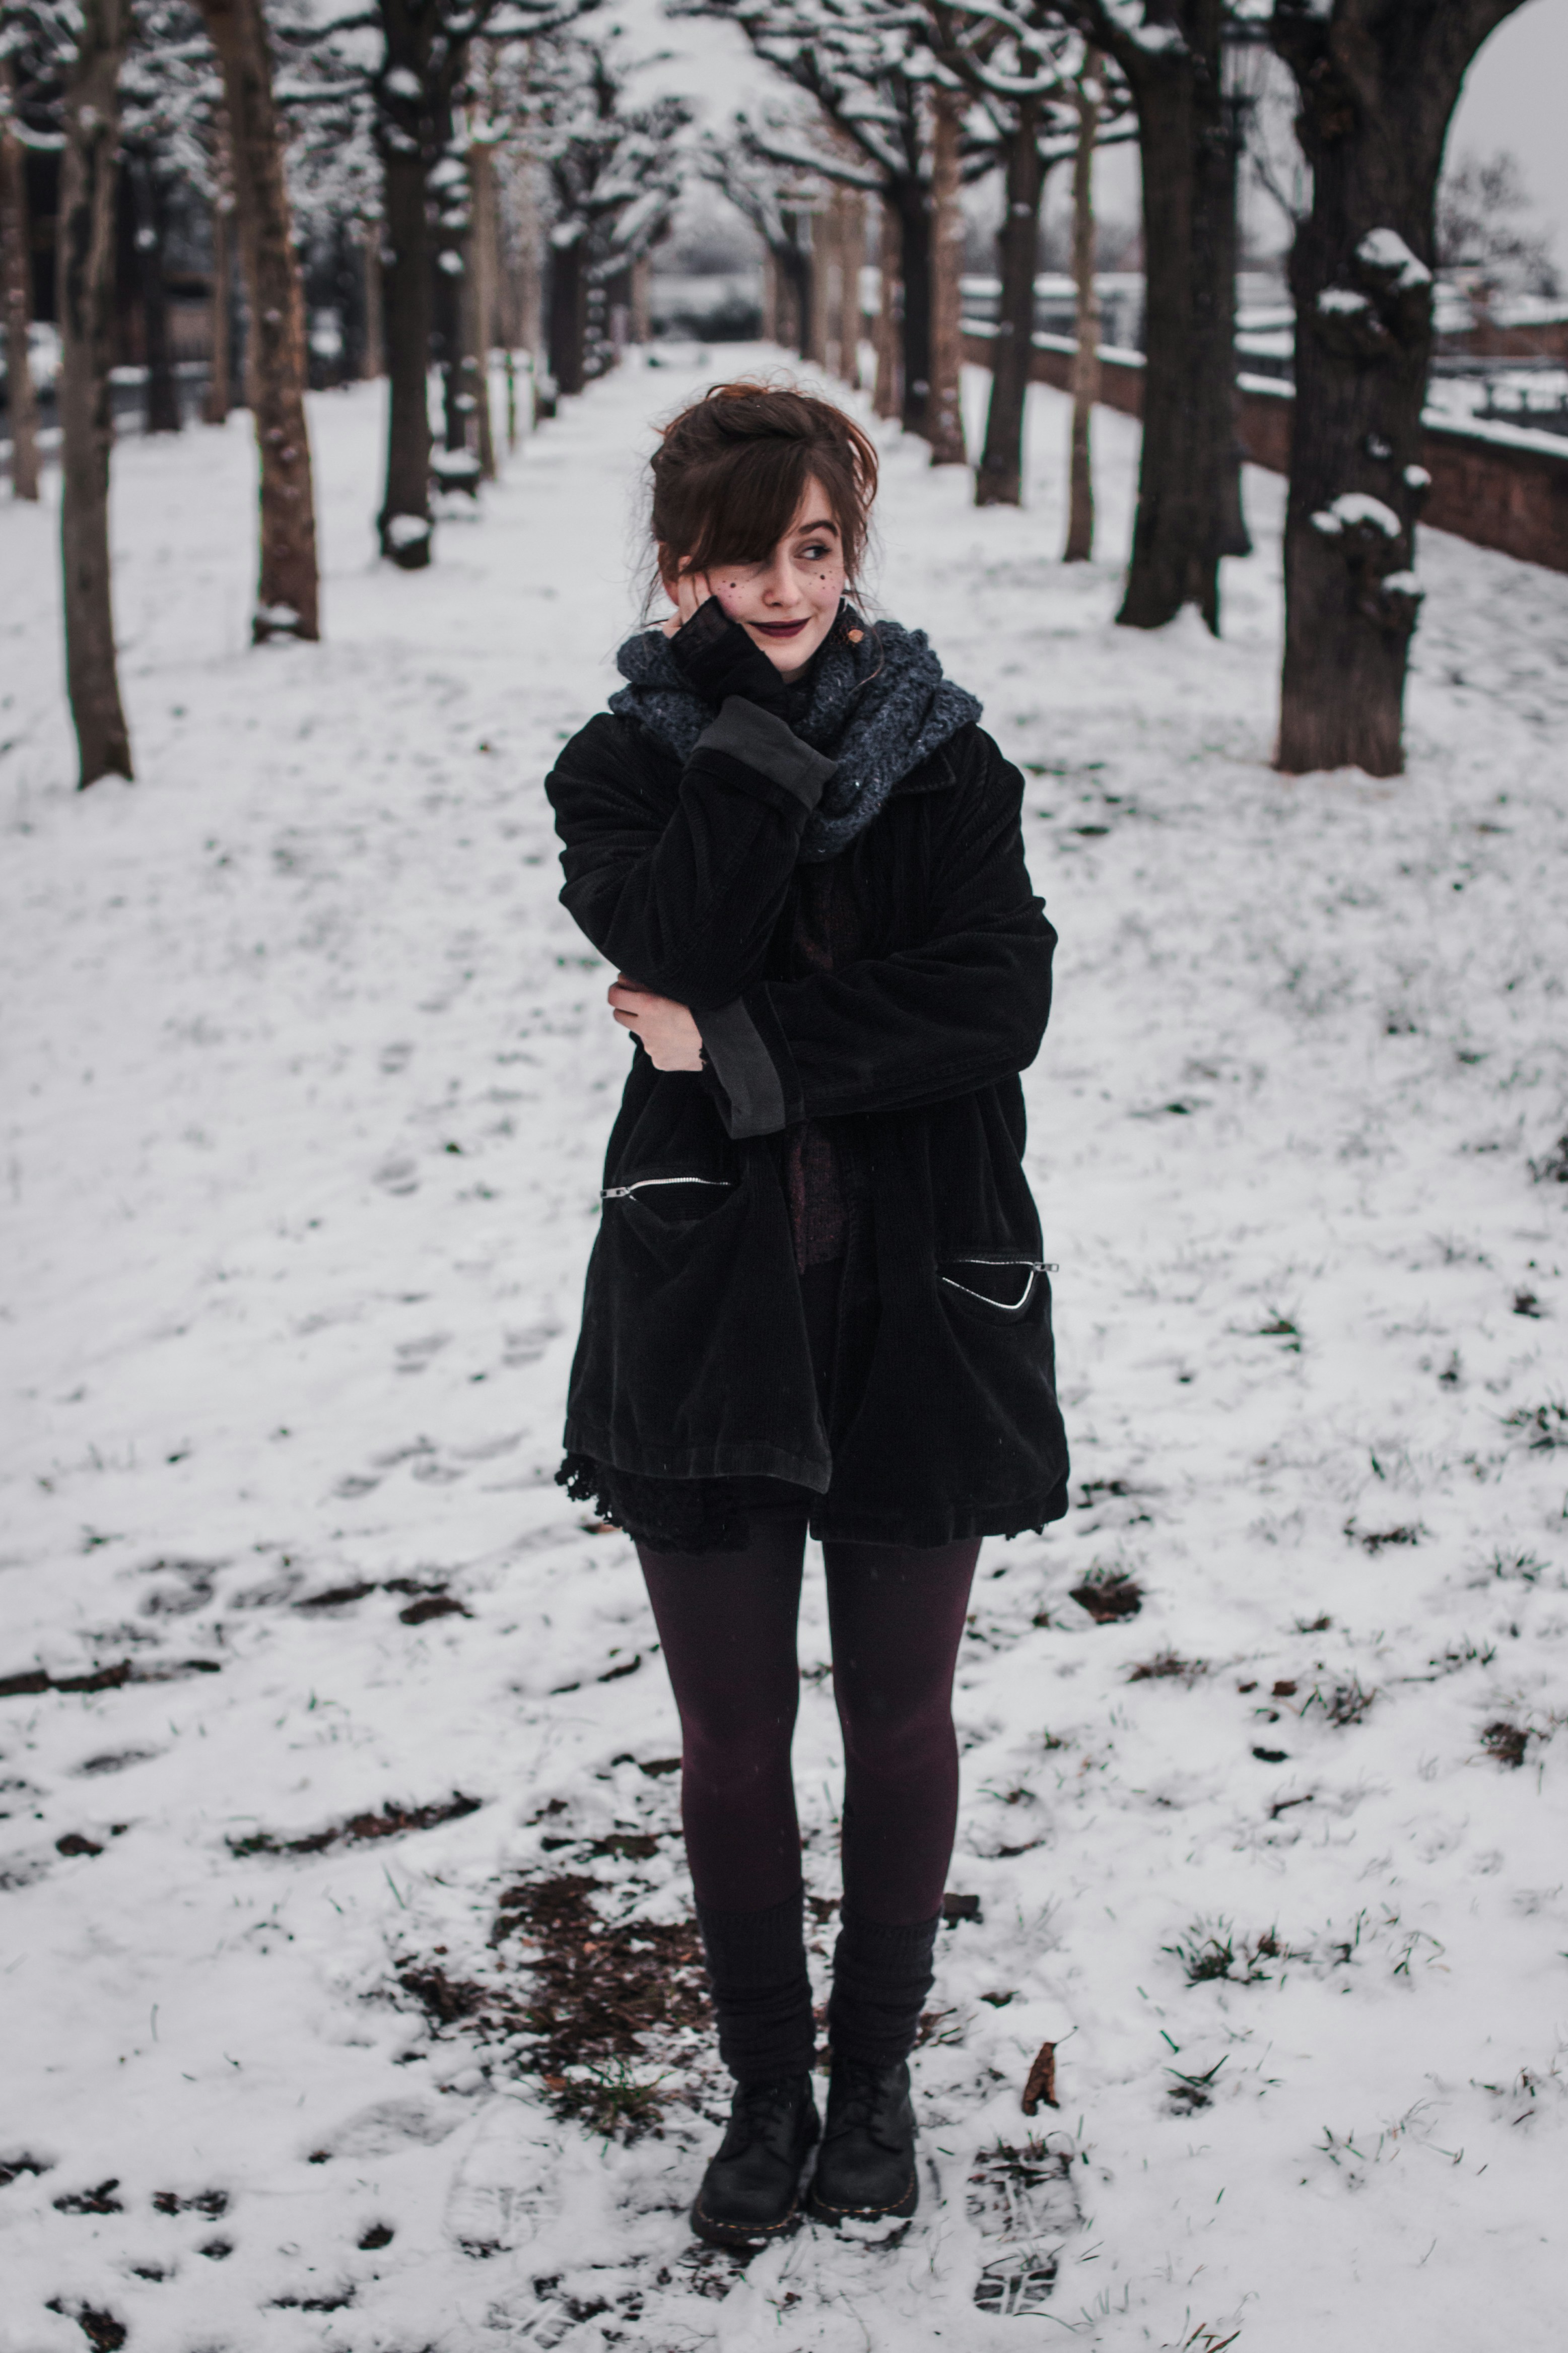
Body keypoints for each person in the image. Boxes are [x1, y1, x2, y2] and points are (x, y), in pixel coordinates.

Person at [546, 379, 1068, 2249]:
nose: (790, 585)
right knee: (730, 1739)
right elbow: (673, 940)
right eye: (750, 556)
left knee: (900, 1721)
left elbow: (991, 1003)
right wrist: (753, 742)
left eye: (820, 551)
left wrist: (743, 1053)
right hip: (709, 1307)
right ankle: (767, 2092)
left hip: (926, 1295)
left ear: (852, 552)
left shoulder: (949, 762)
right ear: (684, 567)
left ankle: (874, 2085)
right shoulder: (620, 770)